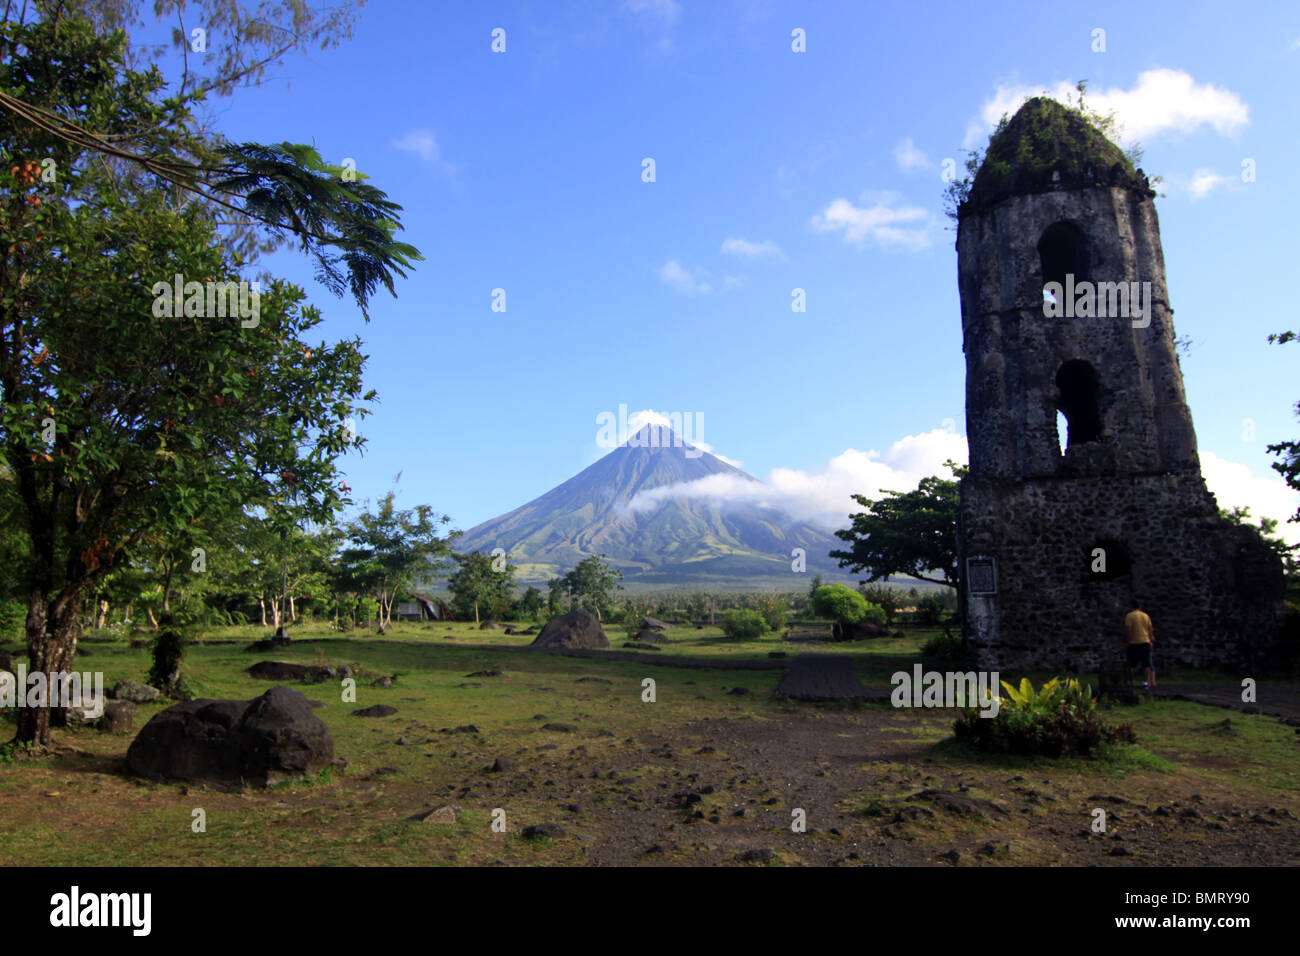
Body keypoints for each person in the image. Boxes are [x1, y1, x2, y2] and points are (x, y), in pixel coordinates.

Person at [1124, 600, 1155, 689]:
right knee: (1146, 663)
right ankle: (1145, 681)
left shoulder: (1130, 616)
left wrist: (1127, 641)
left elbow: (1128, 629)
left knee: (1131, 664)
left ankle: (1129, 681)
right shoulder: (1145, 616)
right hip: (1145, 641)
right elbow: (1150, 628)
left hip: (1134, 642)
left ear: (1131, 606)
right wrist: (1151, 637)